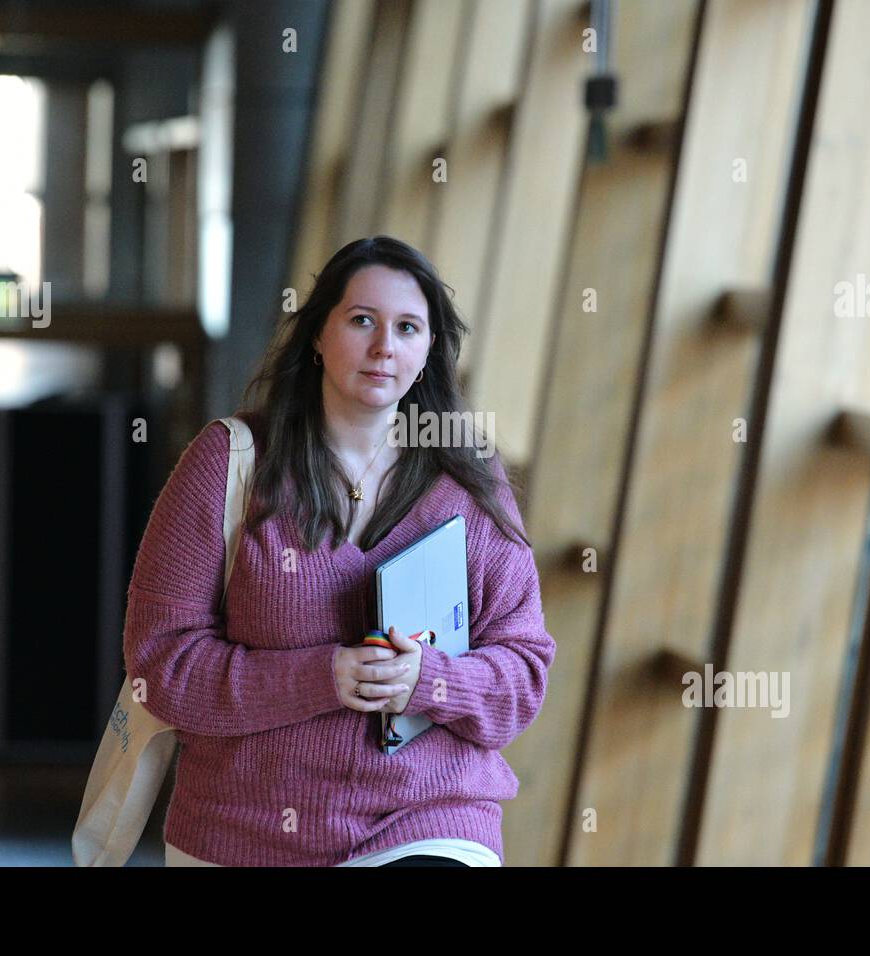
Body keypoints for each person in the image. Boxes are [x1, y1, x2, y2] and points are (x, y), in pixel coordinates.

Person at [124, 235, 555, 866]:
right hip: (245, 830)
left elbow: (523, 675)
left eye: (408, 327)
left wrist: (427, 681)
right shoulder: (229, 464)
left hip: (428, 812)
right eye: (362, 321)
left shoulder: (468, 478)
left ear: (430, 348)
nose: (385, 347)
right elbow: (162, 667)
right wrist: (323, 676)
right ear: (318, 337)